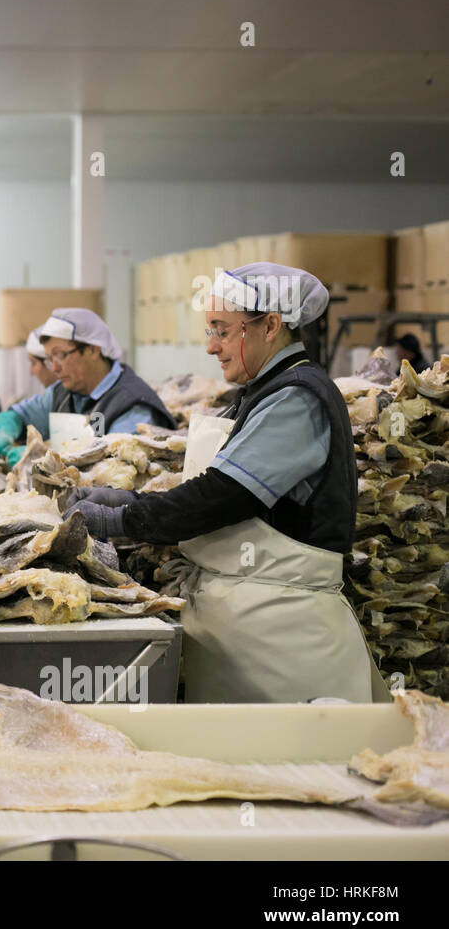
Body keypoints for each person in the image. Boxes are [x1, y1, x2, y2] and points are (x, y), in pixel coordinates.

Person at [64, 263, 387, 704]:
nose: (211, 346)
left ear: (271, 325)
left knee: (287, 766)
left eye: (221, 330)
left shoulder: (298, 398)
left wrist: (121, 519)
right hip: (248, 626)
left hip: (284, 639)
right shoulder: (262, 392)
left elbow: (221, 497)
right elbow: (220, 489)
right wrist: (131, 497)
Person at [0, 308, 175, 465]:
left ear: (93, 350)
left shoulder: (133, 407)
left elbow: (116, 473)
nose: (54, 368)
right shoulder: (63, 393)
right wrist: (5, 428)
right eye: (49, 359)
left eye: (60, 355)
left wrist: (46, 460)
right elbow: (21, 415)